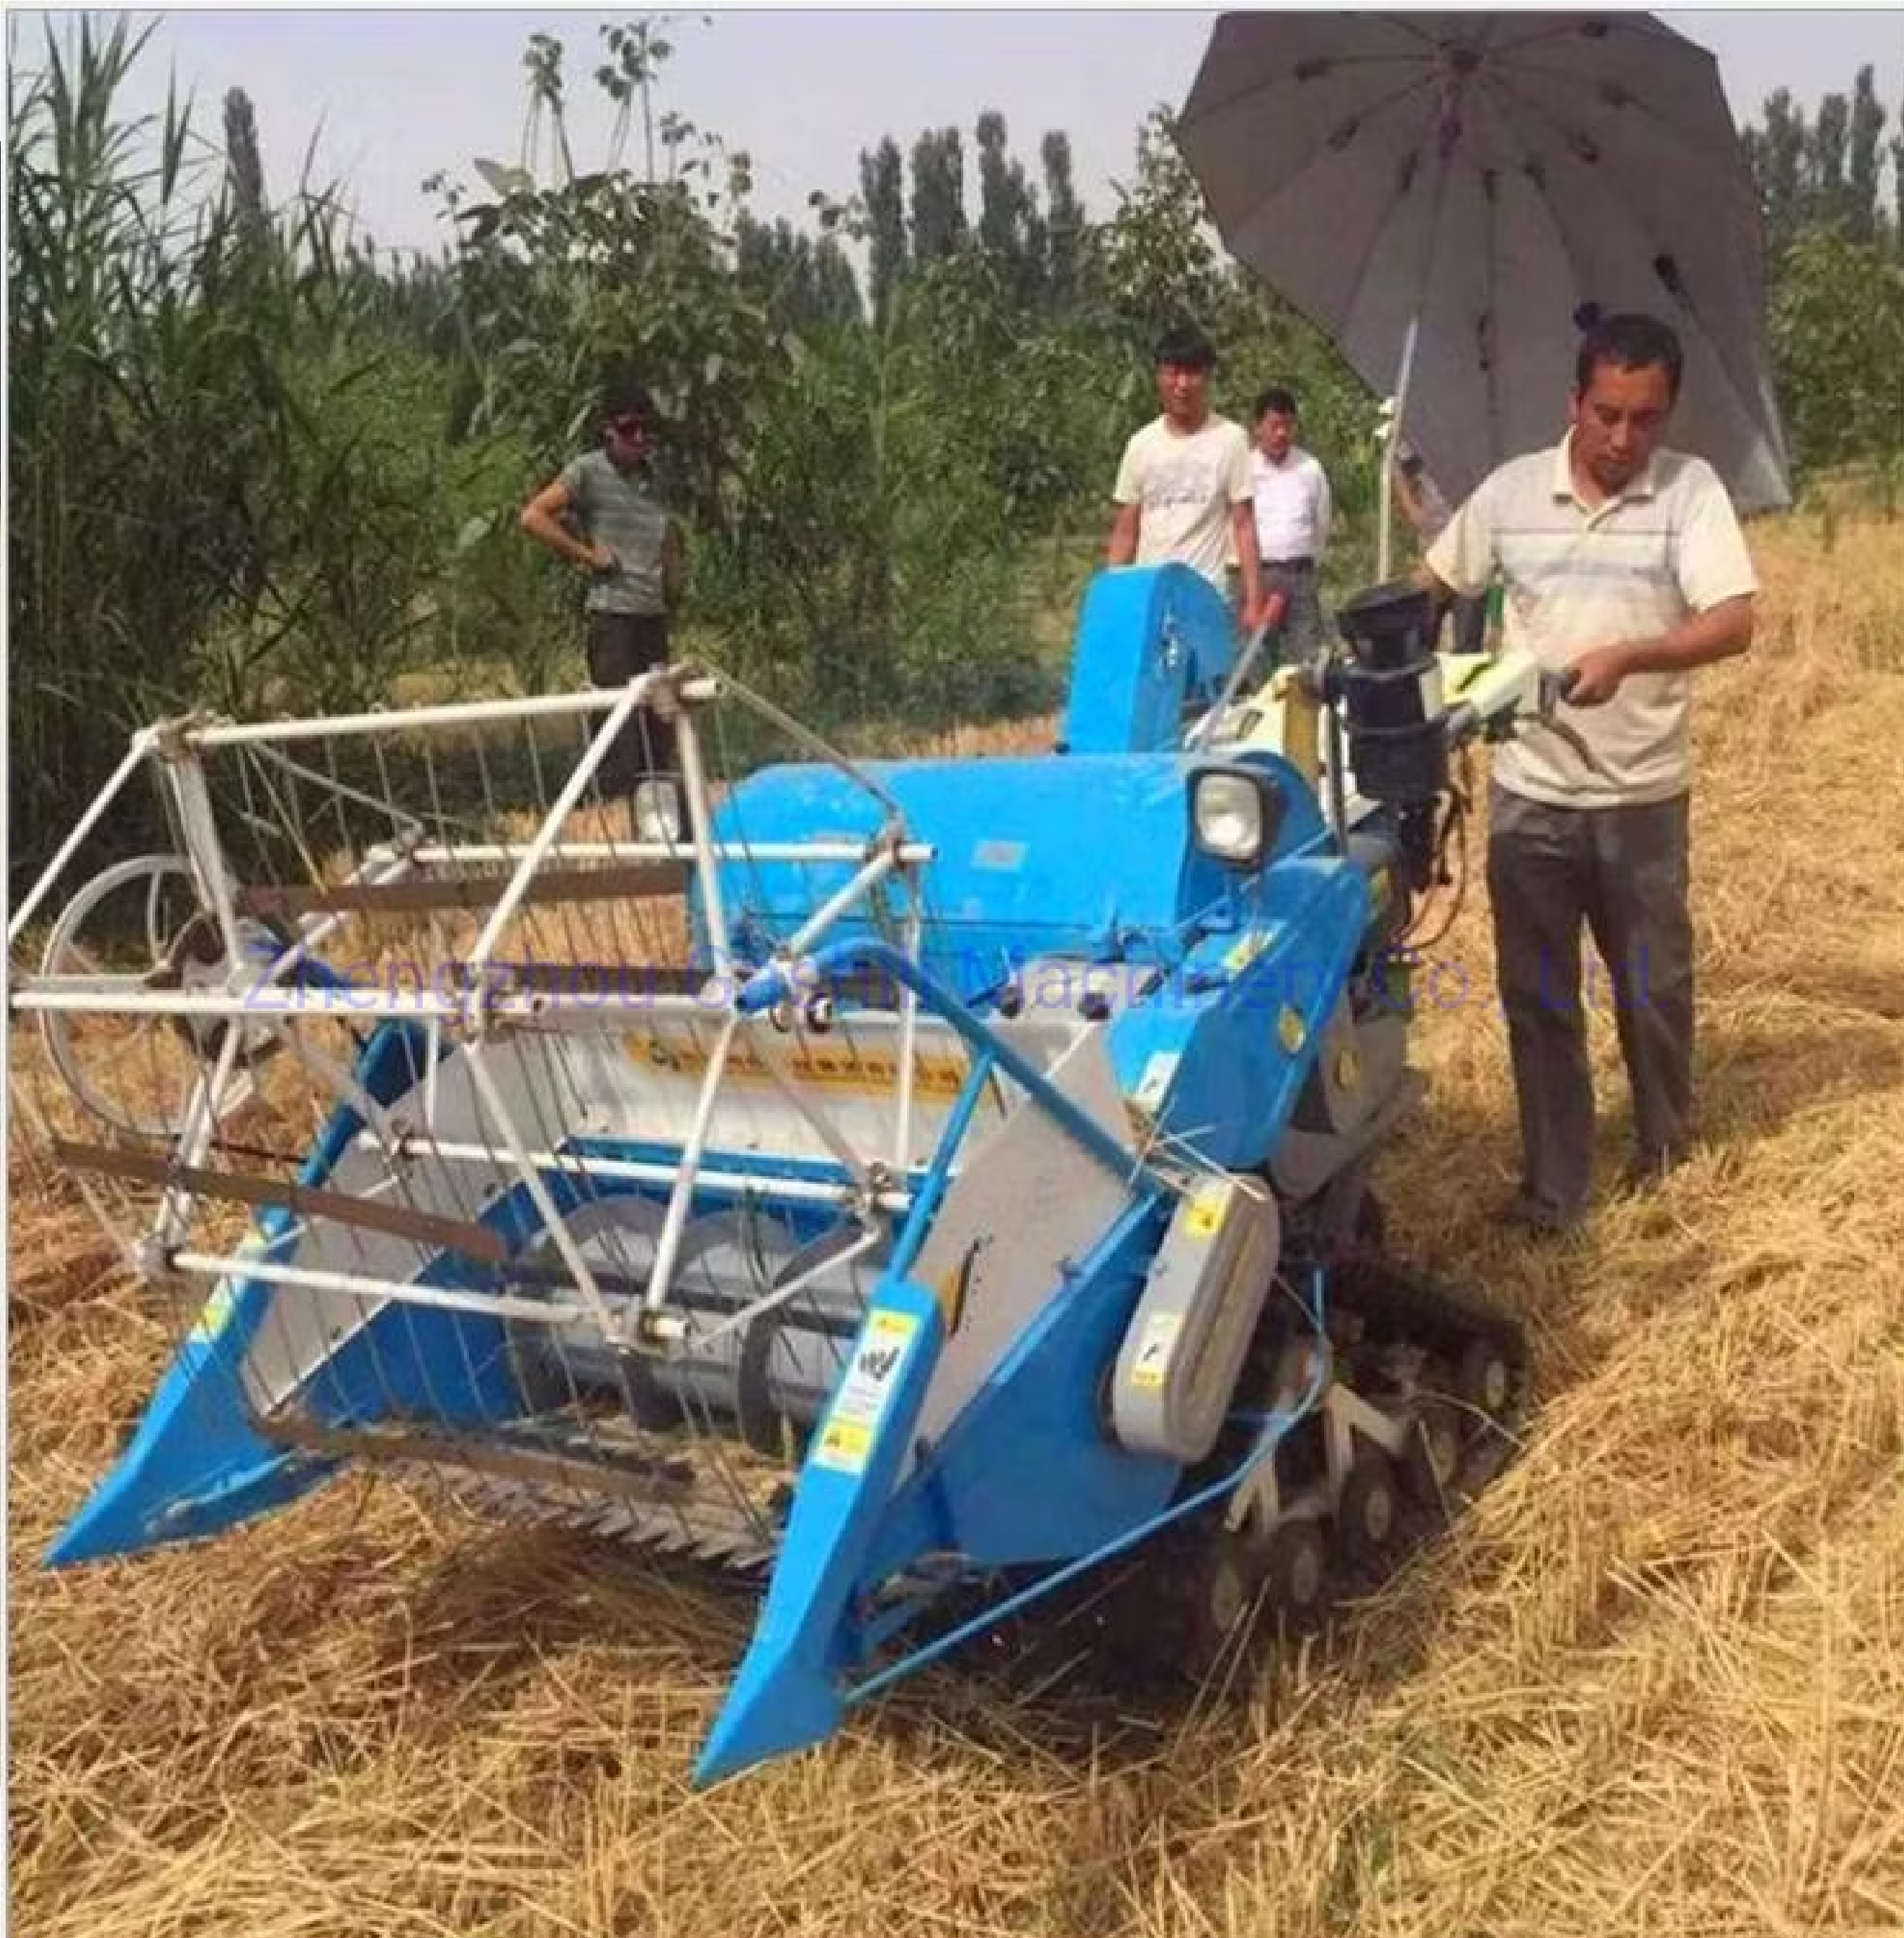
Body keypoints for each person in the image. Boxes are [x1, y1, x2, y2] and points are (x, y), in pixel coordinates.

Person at [1420, 311, 1758, 1237]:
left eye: (1644, 418)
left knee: (1652, 984)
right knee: (1538, 1001)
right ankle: (1556, 1191)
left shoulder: (1690, 494)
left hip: (1643, 796)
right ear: (1574, 401)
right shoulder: (1509, 493)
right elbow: (1437, 584)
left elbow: (1734, 619)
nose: (1622, 438)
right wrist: (1396, 613)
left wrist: (1632, 656)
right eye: (1606, 413)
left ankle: (1665, 1151)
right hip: (1532, 799)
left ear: (1668, 412)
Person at [520, 383, 689, 838]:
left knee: (660, 722)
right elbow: (533, 516)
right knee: (617, 722)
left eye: (645, 431)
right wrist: (584, 554)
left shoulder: (658, 480)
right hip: (613, 616)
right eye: (629, 430)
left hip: (652, 615)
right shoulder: (587, 473)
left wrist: (674, 582)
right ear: (609, 432)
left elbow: (668, 536)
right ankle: (614, 823)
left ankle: (664, 827)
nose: (638, 440)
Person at [1106, 325, 1269, 631]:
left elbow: (1244, 524)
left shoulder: (1231, 440)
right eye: (1173, 373)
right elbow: (1126, 529)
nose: (1182, 385)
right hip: (1150, 595)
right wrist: (1113, 597)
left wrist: (1254, 600)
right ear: (1159, 377)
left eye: (1192, 374)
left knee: (1203, 678)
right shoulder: (1141, 445)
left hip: (1206, 594)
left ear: (1208, 378)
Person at [1247, 385, 1334, 670]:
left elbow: (1322, 521)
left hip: (1300, 575)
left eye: (1288, 426)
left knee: (1308, 659)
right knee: (1257, 658)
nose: (1281, 434)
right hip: (1257, 576)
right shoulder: (1244, 469)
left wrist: (1311, 563)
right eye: (1274, 426)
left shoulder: (1310, 468)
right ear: (1258, 427)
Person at [1391, 444, 1488, 655]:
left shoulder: (1484, 419)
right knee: (1421, 643)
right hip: (1433, 547)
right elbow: (1397, 465)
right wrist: (1412, 510)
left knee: (1468, 646)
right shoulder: (1421, 424)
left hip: (1472, 549)